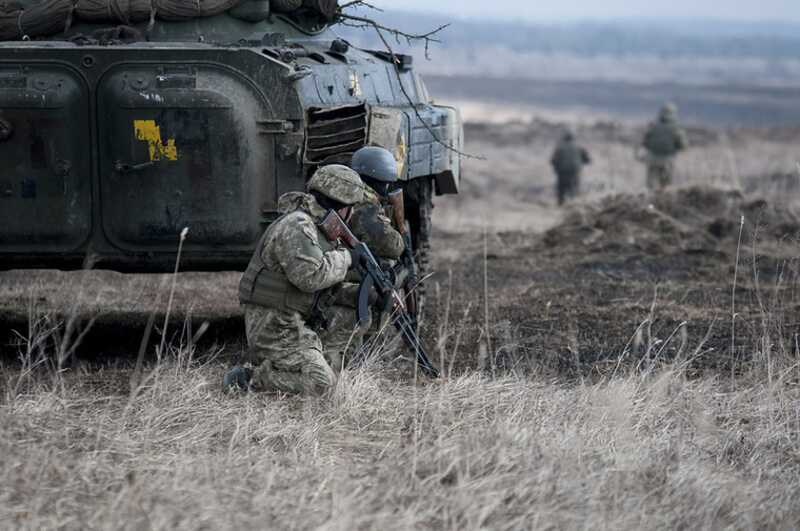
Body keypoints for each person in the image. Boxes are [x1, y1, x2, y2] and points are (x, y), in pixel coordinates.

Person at [223, 164, 366, 395]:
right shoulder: (298, 225)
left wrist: (361, 293)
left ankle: (315, 360)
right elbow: (310, 277)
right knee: (322, 384)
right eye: (352, 208)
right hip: (273, 323)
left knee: (351, 321)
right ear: (343, 207)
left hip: (294, 315)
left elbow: (326, 287)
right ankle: (252, 379)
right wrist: (348, 257)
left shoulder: (318, 227)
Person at [640, 103, 688, 191]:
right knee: (665, 187)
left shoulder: (653, 126)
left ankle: (652, 201)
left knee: (651, 187)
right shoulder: (676, 128)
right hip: (668, 160)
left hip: (652, 159)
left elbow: (644, 142)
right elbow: (683, 145)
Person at [550, 130, 591, 206]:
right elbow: (587, 160)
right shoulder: (579, 147)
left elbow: (553, 160)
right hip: (574, 171)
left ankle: (561, 204)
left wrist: (556, 168)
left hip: (562, 172)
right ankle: (573, 205)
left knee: (561, 188)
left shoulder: (559, 147)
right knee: (574, 188)